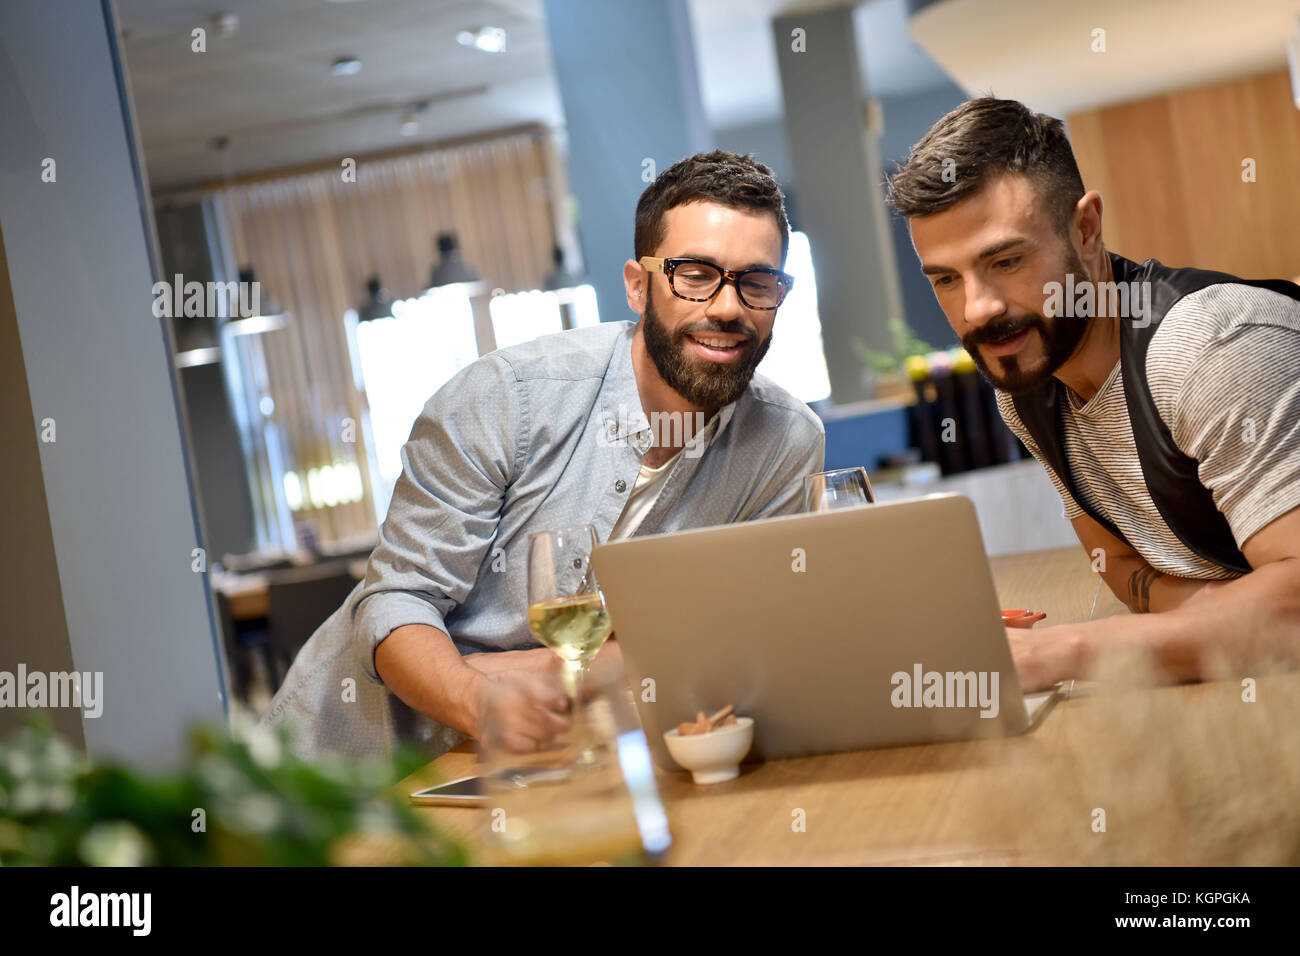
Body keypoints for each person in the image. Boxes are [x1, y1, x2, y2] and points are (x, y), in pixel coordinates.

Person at [266, 150, 825, 757]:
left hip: (565, 762)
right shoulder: (504, 397)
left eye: (757, 282)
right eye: (694, 275)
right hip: (359, 770)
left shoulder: (785, 444)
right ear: (638, 287)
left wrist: (541, 671)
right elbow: (398, 601)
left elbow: (735, 638)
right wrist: (482, 697)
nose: (728, 307)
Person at [886, 97, 1300, 691]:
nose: (977, 309)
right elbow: (1121, 566)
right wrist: (1229, 620)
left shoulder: (1208, 350)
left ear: (1086, 230)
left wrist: (1065, 649)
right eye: (946, 279)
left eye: (1006, 261)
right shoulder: (1028, 384)